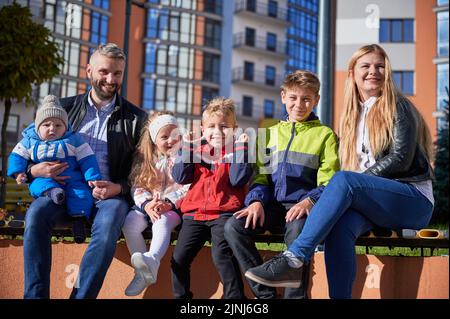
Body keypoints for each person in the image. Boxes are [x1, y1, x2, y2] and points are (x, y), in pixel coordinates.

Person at [245, 44, 435, 299]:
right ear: (352, 74)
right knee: (339, 229)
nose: (373, 71)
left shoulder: (398, 106)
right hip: (375, 201)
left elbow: (400, 159)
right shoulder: (353, 117)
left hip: (412, 199)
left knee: (344, 180)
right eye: (365, 66)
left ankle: (292, 259)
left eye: (380, 66)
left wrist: (352, 185)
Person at [22, 43, 147, 298]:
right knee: (35, 215)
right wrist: (35, 170)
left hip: (109, 198)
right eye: (104, 72)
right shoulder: (61, 110)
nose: (110, 80)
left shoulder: (137, 119)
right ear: (88, 70)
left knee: (111, 219)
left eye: (117, 73)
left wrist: (119, 187)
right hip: (61, 192)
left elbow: (144, 171)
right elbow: (25, 149)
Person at [224, 70, 340, 299]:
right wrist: (256, 201)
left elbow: (329, 181)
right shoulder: (268, 134)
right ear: (283, 96)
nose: (299, 104)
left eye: (307, 99)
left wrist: (310, 201)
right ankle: (265, 294)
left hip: (303, 207)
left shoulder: (325, 135)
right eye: (294, 98)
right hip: (271, 206)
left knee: (298, 231)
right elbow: (260, 178)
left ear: (316, 100)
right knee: (233, 227)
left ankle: (294, 297)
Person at [170, 97, 251, 299]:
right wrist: (187, 147)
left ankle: (235, 298)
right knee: (179, 258)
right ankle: (182, 297)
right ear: (202, 129)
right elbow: (180, 177)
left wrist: (242, 149)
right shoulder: (196, 150)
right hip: (194, 215)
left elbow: (239, 179)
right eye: (212, 126)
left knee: (221, 256)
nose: (217, 132)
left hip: (224, 213)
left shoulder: (237, 150)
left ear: (235, 129)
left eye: (224, 127)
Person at [7, 95, 101, 244]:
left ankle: (79, 221)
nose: (52, 129)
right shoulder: (29, 141)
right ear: (38, 127)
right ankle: (52, 193)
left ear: (65, 127)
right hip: (44, 178)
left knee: (81, 193)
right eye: (46, 125)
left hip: (72, 178)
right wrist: (18, 172)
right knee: (38, 185)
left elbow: (87, 157)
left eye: (58, 125)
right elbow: (16, 156)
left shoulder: (73, 139)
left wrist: (92, 177)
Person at [121, 111, 190, 296]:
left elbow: (189, 187)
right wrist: (147, 204)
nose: (170, 141)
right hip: (150, 206)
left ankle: (152, 260)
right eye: (164, 137)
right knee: (130, 223)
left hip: (174, 208)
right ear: (154, 141)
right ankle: (142, 273)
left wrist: (169, 202)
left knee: (162, 222)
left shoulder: (185, 159)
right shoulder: (149, 162)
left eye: (174, 135)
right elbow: (138, 187)